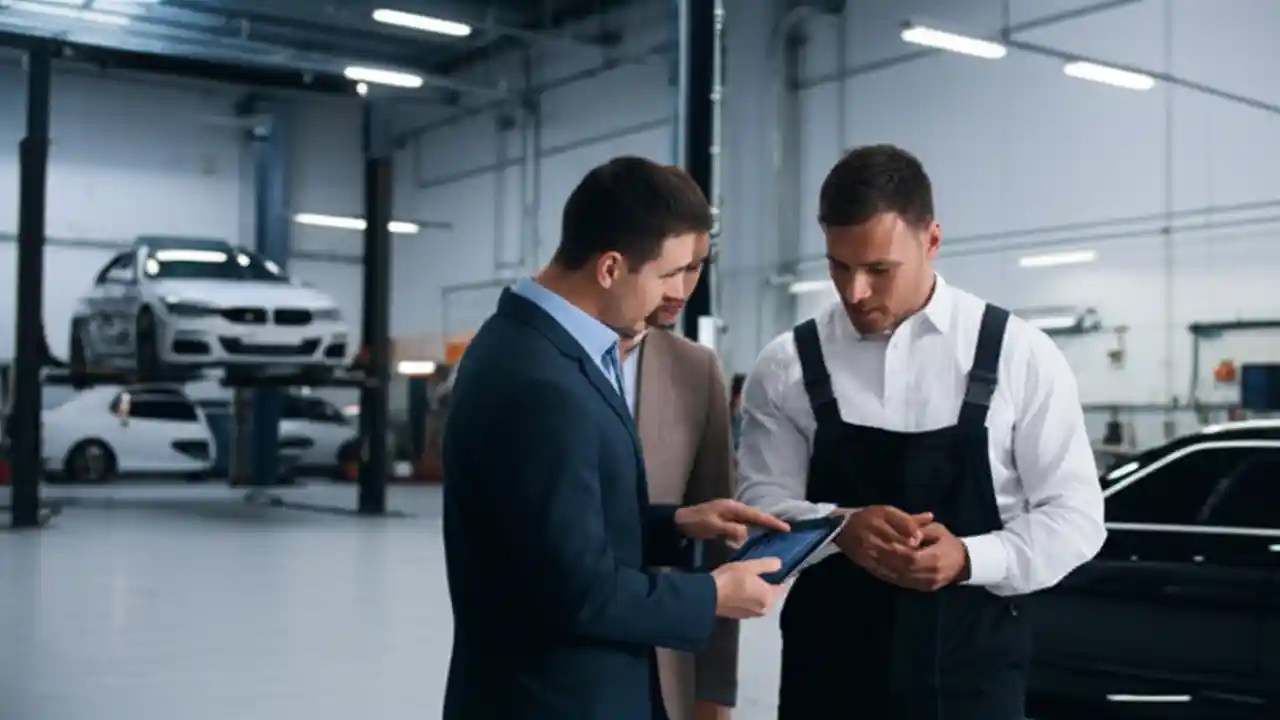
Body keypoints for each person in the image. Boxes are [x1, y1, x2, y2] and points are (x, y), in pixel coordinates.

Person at [736, 144, 1107, 719]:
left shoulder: (1018, 355)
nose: (855, 291)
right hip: (830, 673)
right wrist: (839, 527)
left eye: (879, 270)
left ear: (931, 240)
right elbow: (757, 506)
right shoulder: (787, 365)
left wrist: (968, 558)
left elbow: (1076, 517)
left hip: (971, 676)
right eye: (839, 266)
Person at [441, 155, 789, 720]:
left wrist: (674, 525)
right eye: (668, 274)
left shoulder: (536, 345)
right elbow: (577, 592)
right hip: (553, 700)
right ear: (609, 268)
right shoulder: (540, 381)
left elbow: (552, 534)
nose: (679, 293)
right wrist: (713, 594)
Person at [617, 206, 736, 720]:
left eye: (696, 268)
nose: (683, 289)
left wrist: (714, 693)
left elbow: (718, 545)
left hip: (663, 671)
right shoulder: (548, 364)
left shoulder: (695, 370)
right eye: (671, 271)